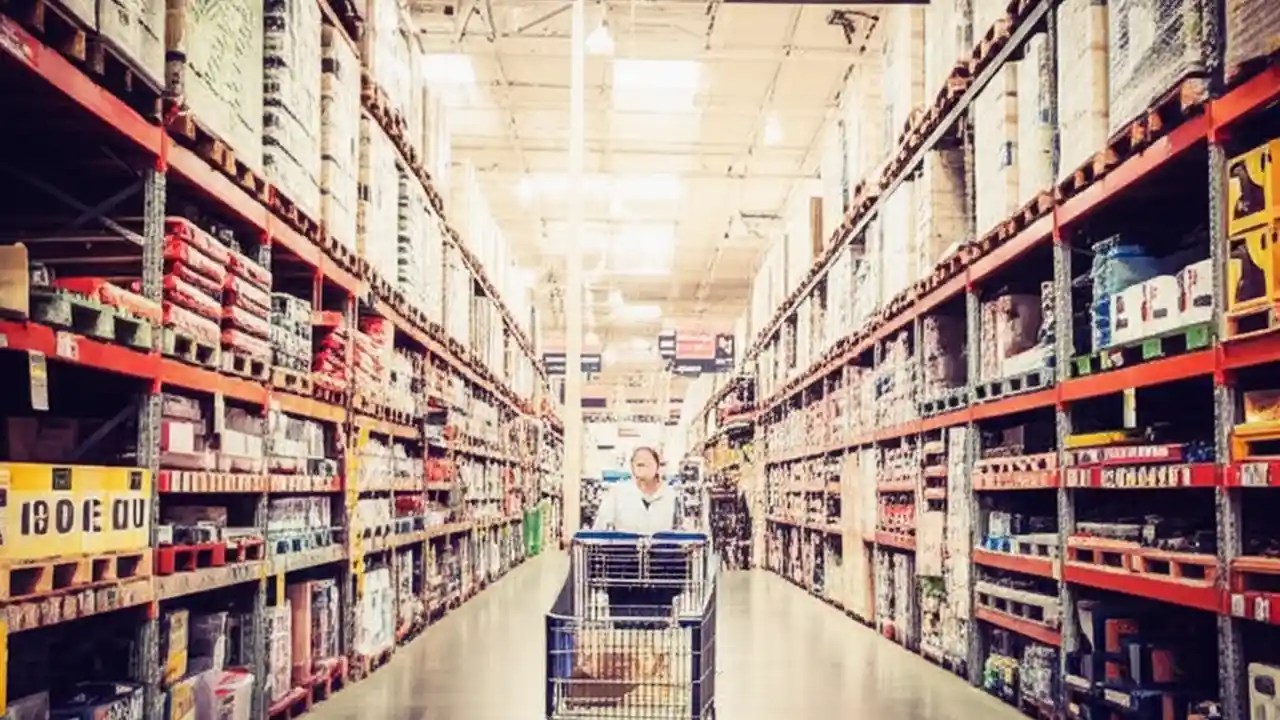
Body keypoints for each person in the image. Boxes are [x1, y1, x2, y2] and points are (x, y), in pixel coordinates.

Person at [593, 446, 682, 533]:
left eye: (647, 462)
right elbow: (599, 531)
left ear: (657, 466)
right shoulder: (617, 493)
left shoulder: (671, 495)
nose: (642, 466)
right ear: (632, 467)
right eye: (638, 463)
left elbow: (682, 534)